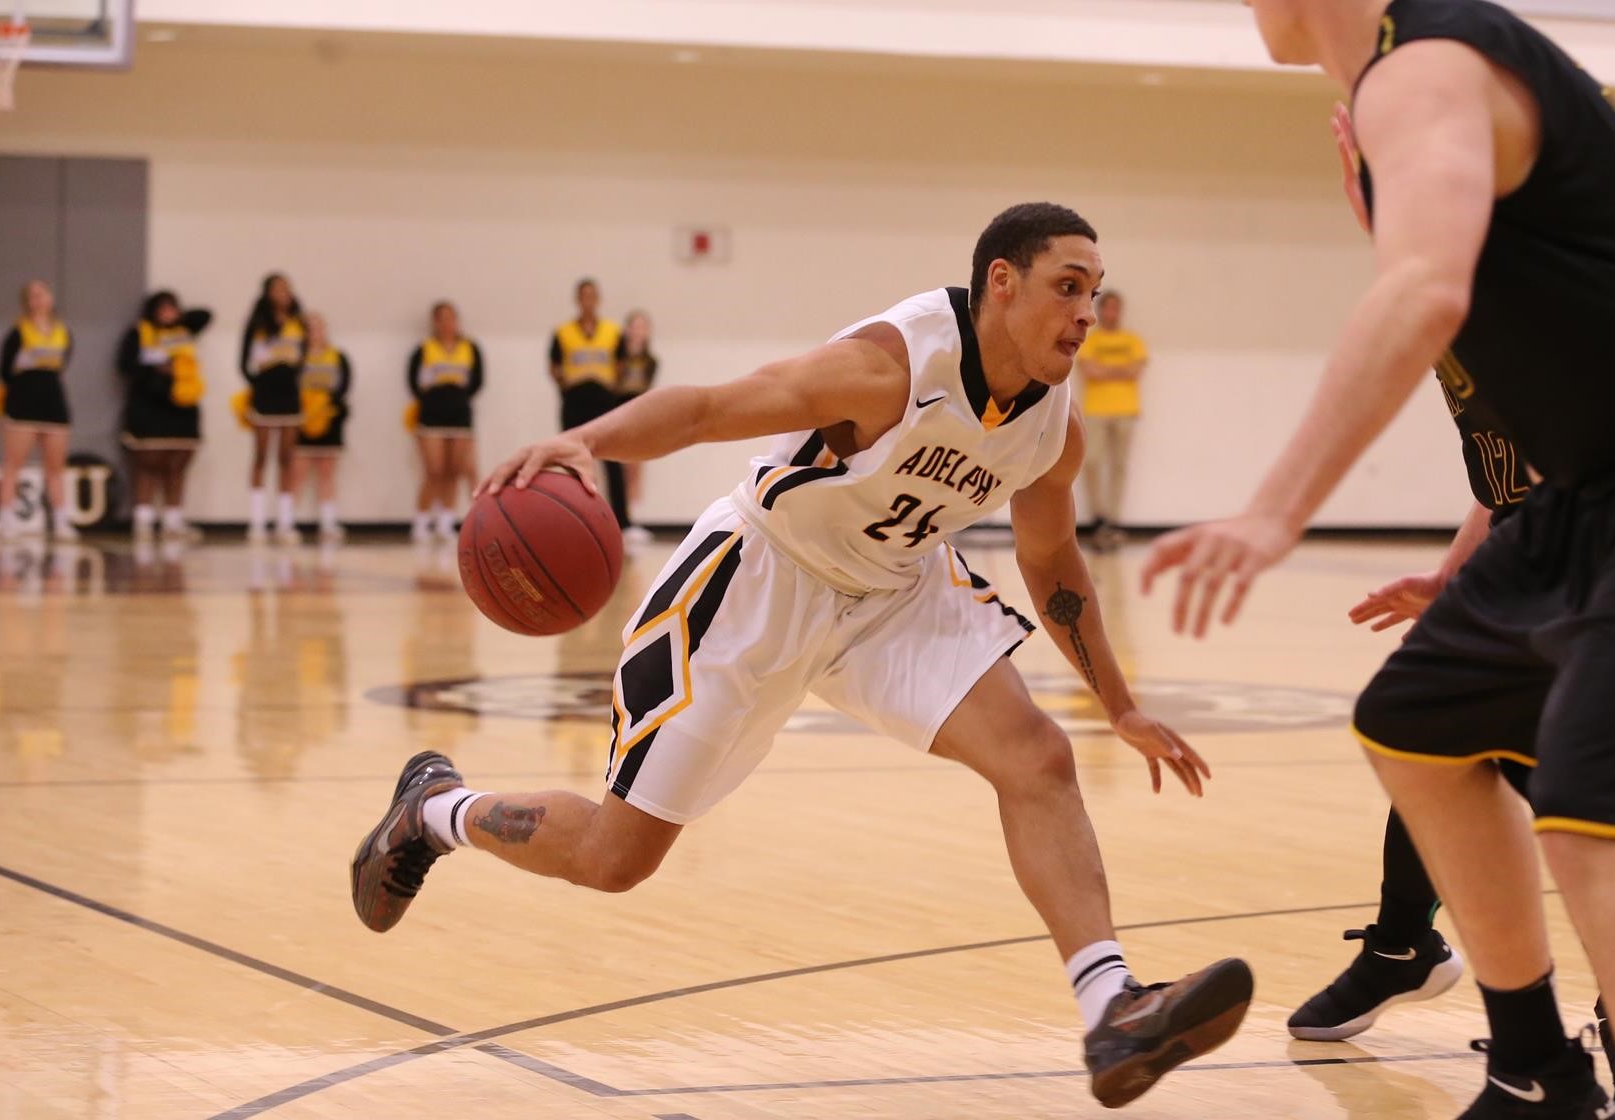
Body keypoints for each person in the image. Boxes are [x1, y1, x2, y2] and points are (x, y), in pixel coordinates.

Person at [351, 203, 1253, 1109]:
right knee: (614, 858)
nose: (1087, 312)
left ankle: (1114, 1008)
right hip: (758, 582)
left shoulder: (1052, 427)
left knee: (1038, 757)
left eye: (1095, 292)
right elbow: (710, 409)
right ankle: (435, 810)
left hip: (895, 590)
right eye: (1068, 288)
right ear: (1001, 284)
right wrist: (588, 441)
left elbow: (1051, 557)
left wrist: (1121, 705)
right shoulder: (888, 368)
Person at [1146, 5, 1615, 1119]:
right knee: (1416, 723)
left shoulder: (1424, 67)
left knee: (1592, 822)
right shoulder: (1398, 94)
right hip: (1594, 484)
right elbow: (1526, 337)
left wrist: (1273, 510)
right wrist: (1476, 563)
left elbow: (1425, 295)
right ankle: (1534, 1069)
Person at [1281, 98, 1615, 1120]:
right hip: (1539, 554)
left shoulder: (1556, 286)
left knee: (1579, 816)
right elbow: (1504, 477)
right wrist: (1453, 578)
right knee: (1421, 724)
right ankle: (1424, 960)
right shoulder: (1452, 286)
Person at [117, 290, 213, 541]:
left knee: (178, 465)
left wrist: (178, 318)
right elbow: (125, 366)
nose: (167, 312)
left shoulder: (183, 331)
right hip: (149, 405)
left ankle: (173, 521)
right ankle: (143, 521)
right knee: (147, 465)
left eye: (172, 307)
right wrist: (156, 366)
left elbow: (204, 316)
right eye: (162, 308)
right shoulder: (140, 332)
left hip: (182, 407)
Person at [0, 280, 81, 541]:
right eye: (33, 295)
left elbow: (63, 363)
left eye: (43, 293)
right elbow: (4, 370)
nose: (39, 299)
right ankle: (7, 519)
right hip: (23, 402)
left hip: (53, 402)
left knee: (56, 466)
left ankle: (61, 521)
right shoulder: (18, 332)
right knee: (13, 464)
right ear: (26, 302)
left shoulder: (63, 331)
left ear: (51, 298)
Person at [549, 279, 629, 528]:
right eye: (583, 295)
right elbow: (554, 367)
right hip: (575, 399)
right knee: (572, 459)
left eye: (592, 295)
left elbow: (621, 365)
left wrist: (610, 385)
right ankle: (573, 516)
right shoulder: (563, 332)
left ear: (598, 299)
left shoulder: (613, 331)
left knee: (614, 460)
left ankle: (622, 522)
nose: (588, 300)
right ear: (577, 300)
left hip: (603, 399)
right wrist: (567, 384)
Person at [1074, 290, 1146, 547]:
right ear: (1101, 310)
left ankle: (1114, 519)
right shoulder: (1090, 340)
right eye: (1108, 308)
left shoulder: (1132, 340)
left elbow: (1136, 371)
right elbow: (1089, 371)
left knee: (1119, 466)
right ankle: (1099, 517)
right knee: (1092, 462)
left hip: (1126, 410)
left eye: (1117, 309)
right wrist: (1120, 370)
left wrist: (1106, 369)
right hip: (1096, 410)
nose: (1112, 313)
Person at [408, 301, 485, 542]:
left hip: (460, 415)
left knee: (455, 471)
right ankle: (421, 521)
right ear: (435, 322)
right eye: (441, 318)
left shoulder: (470, 348)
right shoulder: (424, 348)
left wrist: (456, 396)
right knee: (434, 471)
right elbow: (413, 382)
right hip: (432, 416)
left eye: (451, 317)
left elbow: (478, 381)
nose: (447, 322)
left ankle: (445, 522)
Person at [241, 273, 308, 543]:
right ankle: (256, 522)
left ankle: (285, 521)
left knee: (287, 458)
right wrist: (257, 385)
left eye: (287, 289)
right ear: (267, 292)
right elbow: (243, 361)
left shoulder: (297, 323)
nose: (284, 293)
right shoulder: (257, 324)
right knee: (260, 455)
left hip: (289, 395)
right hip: (264, 395)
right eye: (278, 289)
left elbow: (303, 359)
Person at [295, 312, 354, 543]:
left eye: (320, 327)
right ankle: (288, 522)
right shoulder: (298, 357)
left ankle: (328, 523)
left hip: (328, 418)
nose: (316, 332)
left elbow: (344, 386)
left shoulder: (337, 357)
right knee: (297, 472)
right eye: (311, 328)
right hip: (304, 420)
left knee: (327, 471)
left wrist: (327, 405)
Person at [615, 309, 660, 545]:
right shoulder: (618, 357)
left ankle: (630, 520)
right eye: (635, 326)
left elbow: (643, 388)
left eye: (643, 326)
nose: (638, 331)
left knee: (634, 471)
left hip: (638, 417)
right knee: (616, 470)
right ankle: (618, 519)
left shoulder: (650, 361)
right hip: (618, 414)